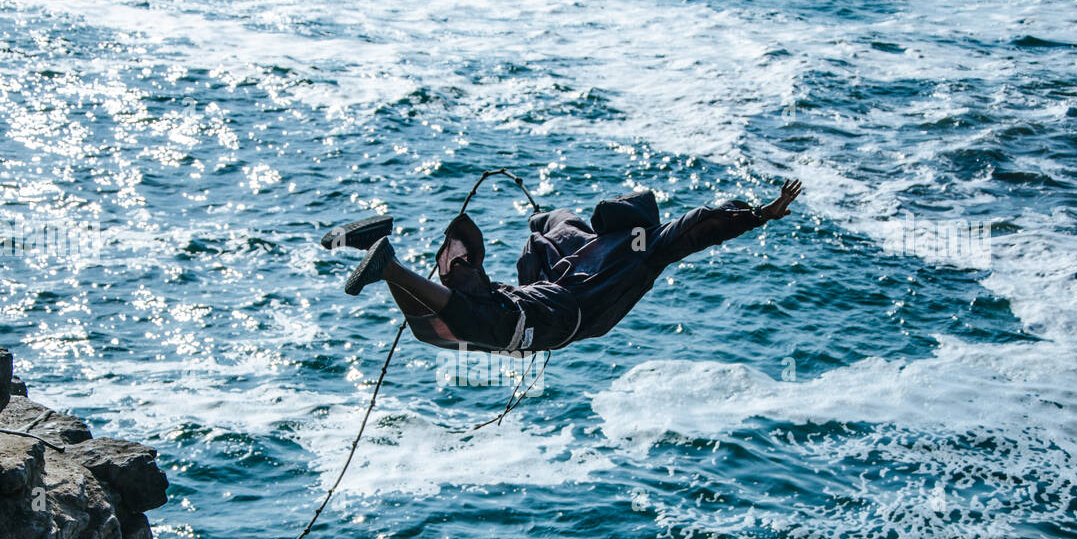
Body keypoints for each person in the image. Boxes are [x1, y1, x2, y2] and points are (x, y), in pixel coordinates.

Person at [343, 178, 802, 354]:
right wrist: (760, 214)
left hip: (537, 304)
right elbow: (698, 226)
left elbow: (545, 225)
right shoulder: (646, 244)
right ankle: (388, 266)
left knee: (434, 330)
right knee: (471, 321)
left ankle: (384, 254)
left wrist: (757, 213)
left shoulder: (577, 234)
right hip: (558, 315)